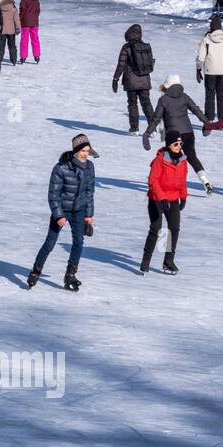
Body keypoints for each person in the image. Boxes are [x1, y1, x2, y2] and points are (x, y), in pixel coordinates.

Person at [26, 133, 97, 292]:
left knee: (78, 243)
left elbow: (89, 192)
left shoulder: (90, 167)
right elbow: (53, 194)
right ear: (76, 150)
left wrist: (88, 216)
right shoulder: (61, 168)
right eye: (83, 150)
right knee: (50, 243)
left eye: (88, 150)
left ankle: (70, 275)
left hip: (79, 210)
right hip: (62, 210)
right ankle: (36, 271)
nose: (86, 154)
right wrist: (58, 215)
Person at [143, 73, 211, 193]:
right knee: (192, 157)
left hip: (173, 135)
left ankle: (166, 183)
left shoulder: (163, 99)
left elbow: (156, 118)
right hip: (188, 132)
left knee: (168, 159)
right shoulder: (184, 96)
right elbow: (196, 110)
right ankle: (205, 181)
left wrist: (147, 134)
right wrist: (207, 123)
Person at [139, 132, 189, 274]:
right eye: (176, 144)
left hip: (173, 199)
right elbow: (153, 181)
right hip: (157, 199)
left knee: (173, 229)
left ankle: (168, 261)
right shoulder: (159, 160)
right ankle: (146, 261)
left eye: (181, 144)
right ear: (169, 145)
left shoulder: (183, 161)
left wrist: (183, 196)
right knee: (157, 229)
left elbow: (182, 181)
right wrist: (162, 198)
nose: (179, 146)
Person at [112, 23, 155, 132]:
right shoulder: (145, 46)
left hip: (131, 82)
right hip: (145, 81)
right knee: (147, 105)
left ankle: (134, 128)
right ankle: (153, 128)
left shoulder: (126, 47)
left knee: (132, 104)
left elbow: (121, 64)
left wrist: (115, 78)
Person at [195, 13, 223, 121]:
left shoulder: (206, 39)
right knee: (221, 95)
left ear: (211, 27)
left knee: (210, 95)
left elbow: (201, 57)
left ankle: (210, 118)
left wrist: (198, 68)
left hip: (210, 71)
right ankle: (222, 118)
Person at [18, 0, 41, 64]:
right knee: (35, 39)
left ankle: (23, 56)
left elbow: (22, 12)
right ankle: (37, 55)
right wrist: (35, 18)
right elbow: (38, 11)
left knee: (24, 40)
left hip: (25, 23)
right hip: (35, 23)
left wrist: (19, 20)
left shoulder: (24, 0)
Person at [0, 0, 21, 66]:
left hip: (1, 30)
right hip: (11, 30)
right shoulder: (14, 8)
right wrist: (18, 28)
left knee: (1, 46)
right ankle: (13, 60)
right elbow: (16, 19)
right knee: (12, 46)